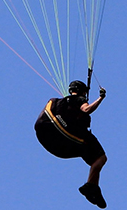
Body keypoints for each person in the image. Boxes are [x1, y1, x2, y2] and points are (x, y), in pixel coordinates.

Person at [35, 80, 109, 208]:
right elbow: (86, 110)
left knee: (94, 157)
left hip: (48, 135)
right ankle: (91, 187)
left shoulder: (59, 102)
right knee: (100, 158)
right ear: (83, 92)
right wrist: (101, 98)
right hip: (67, 137)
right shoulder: (80, 100)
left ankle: (93, 188)